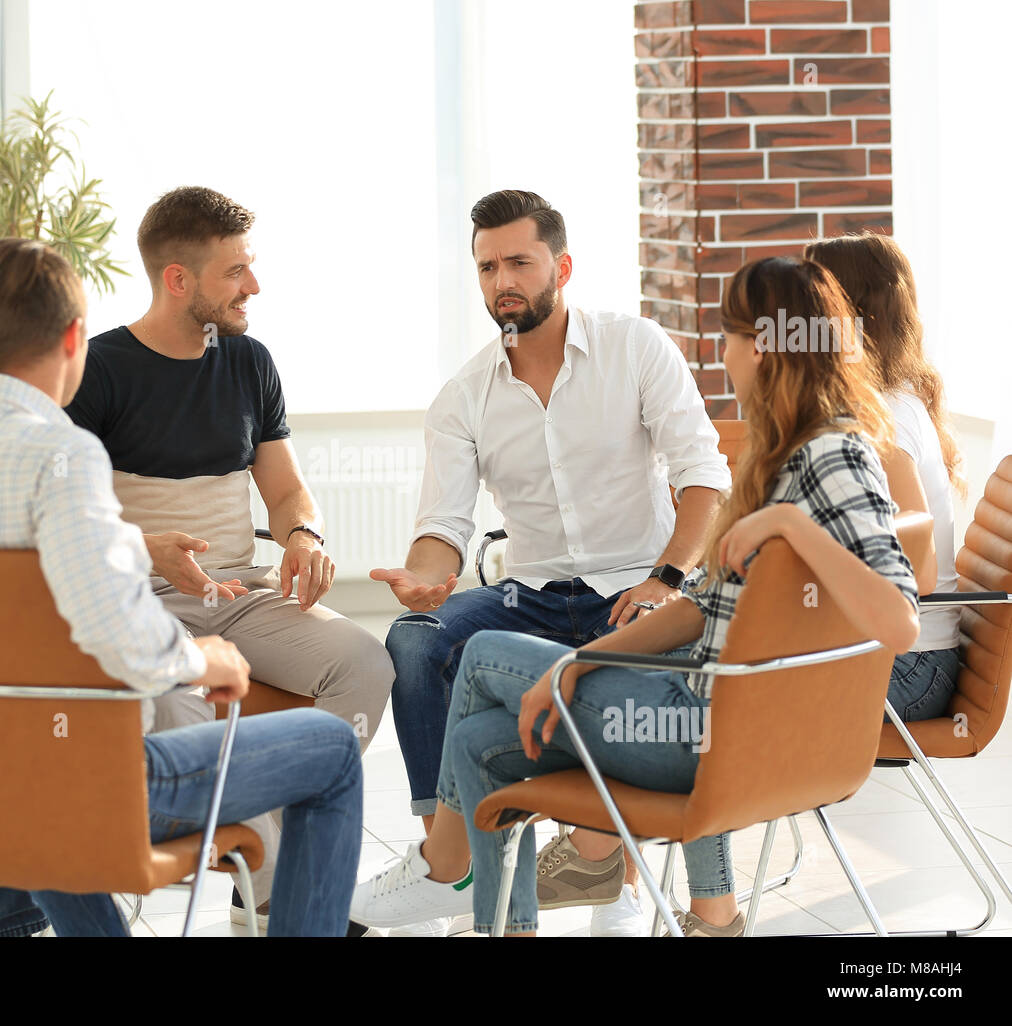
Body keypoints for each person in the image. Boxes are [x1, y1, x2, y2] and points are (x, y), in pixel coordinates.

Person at [356, 256, 921, 937]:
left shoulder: (831, 456)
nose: (724, 351)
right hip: (712, 720)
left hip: (704, 732)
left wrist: (788, 523)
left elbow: (900, 620)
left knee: (481, 655)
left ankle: (447, 869)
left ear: (769, 347)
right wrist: (582, 663)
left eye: (734, 334)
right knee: (477, 736)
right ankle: (511, 918)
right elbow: (700, 613)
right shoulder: (790, 457)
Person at [0, 237, 364, 937]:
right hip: (85, 793)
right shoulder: (61, 457)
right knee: (328, 750)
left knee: (62, 763)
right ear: (74, 340)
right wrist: (209, 659)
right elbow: (121, 637)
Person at [359, 190, 731, 936]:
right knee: (415, 637)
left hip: (638, 586)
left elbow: (705, 478)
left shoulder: (635, 347)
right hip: (527, 595)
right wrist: (428, 576)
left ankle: (608, 867)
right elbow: (443, 525)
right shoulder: (463, 396)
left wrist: (667, 579)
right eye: (488, 265)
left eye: (519, 262)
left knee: (623, 681)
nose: (503, 280)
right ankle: (451, 858)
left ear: (561, 266)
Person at [63, 186, 393, 931]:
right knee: (183, 705)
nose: (254, 286)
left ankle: (273, 861)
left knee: (367, 665)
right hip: (140, 597)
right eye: (235, 271)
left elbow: (286, 490)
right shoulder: (95, 371)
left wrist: (304, 534)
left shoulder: (250, 362)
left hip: (239, 594)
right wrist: (145, 547)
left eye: (252, 266)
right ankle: (278, 899)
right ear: (178, 279)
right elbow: (67, 515)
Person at [805, 233, 963, 722]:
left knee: (713, 693)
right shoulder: (883, 400)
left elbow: (917, 571)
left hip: (909, 667)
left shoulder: (883, 417)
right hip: (890, 652)